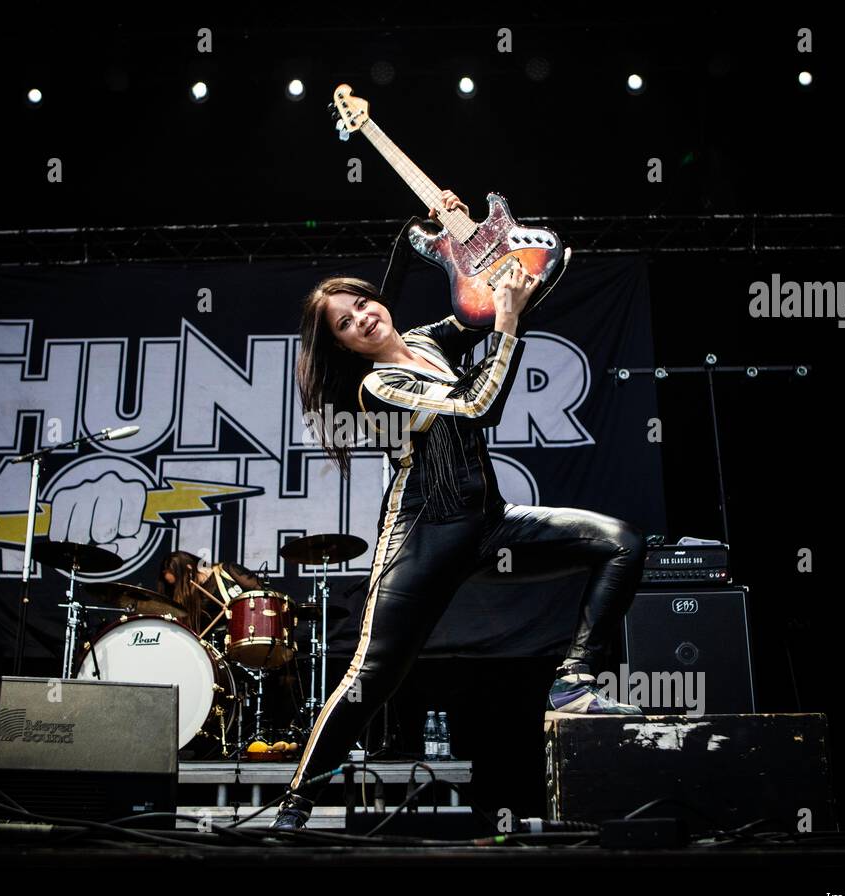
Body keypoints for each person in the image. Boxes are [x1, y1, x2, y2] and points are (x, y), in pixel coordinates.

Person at [270, 190, 647, 830]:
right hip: (422, 542)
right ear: (343, 347)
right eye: (344, 322)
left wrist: (460, 239)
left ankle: (574, 680)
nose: (362, 317)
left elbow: (481, 301)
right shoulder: (377, 388)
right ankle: (296, 801)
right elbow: (478, 407)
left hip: (488, 525)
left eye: (362, 302)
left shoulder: (426, 339)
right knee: (373, 677)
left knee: (622, 541)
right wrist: (507, 323)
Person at [157, 550, 267, 638]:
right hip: (223, 647)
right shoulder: (191, 598)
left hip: (252, 631)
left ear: (189, 569)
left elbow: (264, 593)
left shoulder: (226, 571)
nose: (177, 589)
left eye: (179, 583)